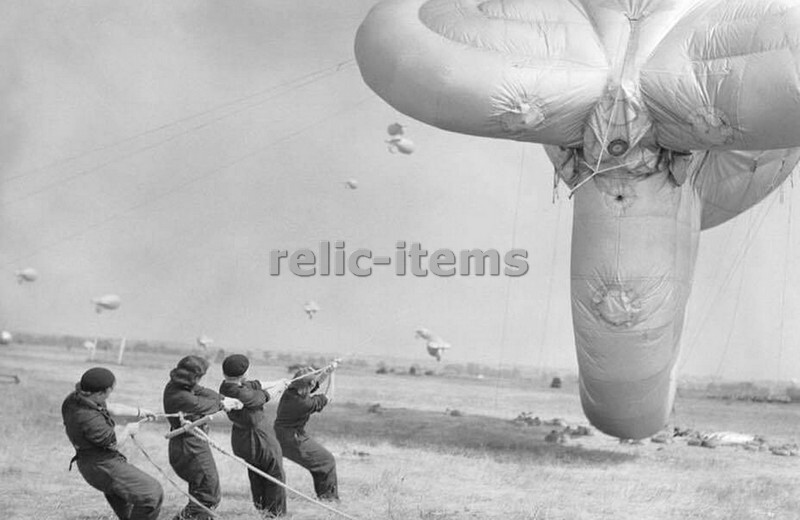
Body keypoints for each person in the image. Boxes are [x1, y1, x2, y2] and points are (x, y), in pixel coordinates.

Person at [62, 367, 163, 520]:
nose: (110, 394)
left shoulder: (77, 398)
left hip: (98, 462)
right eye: (109, 391)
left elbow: (112, 408)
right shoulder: (87, 418)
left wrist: (139, 412)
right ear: (99, 393)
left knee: (131, 509)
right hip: (101, 466)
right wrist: (128, 430)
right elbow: (114, 444)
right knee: (151, 494)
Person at [163, 355, 242, 520]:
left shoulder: (179, 385)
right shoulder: (180, 396)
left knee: (203, 494)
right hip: (189, 447)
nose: (200, 380)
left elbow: (203, 392)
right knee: (208, 496)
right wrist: (222, 404)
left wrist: (223, 399)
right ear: (193, 376)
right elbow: (201, 404)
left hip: (191, 444)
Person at [219, 354, 290, 517]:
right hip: (259, 439)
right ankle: (276, 514)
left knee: (257, 472)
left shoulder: (226, 387)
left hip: (243, 439)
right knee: (275, 472)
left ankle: (263, 509)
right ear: (244, 373)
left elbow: (256, 384)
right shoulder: (243, 394)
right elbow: (263, 396)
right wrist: (280, 387)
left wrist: (280, 381)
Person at [273, 362, 339, 501]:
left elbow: (312, 384)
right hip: (292, 439)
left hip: (282, 435)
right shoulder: (304, 403)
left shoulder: (291, 391)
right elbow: (329, 397)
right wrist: (333, 375)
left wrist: (326, 372)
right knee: (327, 461)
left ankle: (325, 495)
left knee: (320, 461)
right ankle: (329, 499)